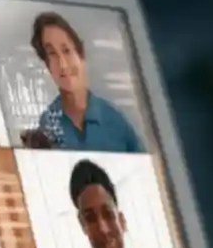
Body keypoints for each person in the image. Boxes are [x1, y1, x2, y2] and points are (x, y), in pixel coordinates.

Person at [59, 159, 178, 248]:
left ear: (122, 221)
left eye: (108, 214)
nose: (103, 229)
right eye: (90, 219)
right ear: (83, 227)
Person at [24, 11, 144, 152]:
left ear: (81, 54)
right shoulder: (47, 124)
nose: (63, 64)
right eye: (52, 54)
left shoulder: (115, 121)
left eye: (66, 50)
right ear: (47, 64)